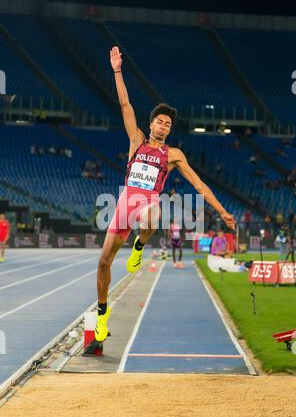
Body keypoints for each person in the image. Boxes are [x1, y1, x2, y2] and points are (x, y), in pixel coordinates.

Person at [94, 46, 236, 342]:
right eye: (160, 121)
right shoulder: (136, 140)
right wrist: (117, 70)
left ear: (170, 130)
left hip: (147, 204)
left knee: (153, 211)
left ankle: (139, 246)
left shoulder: (173, 154)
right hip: (124, 203)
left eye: (168, 124)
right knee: (104, 263)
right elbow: (124, 104)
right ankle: (102, 317)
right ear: (151, 124)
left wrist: (222, 210)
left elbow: (199, 185)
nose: (164, 125)